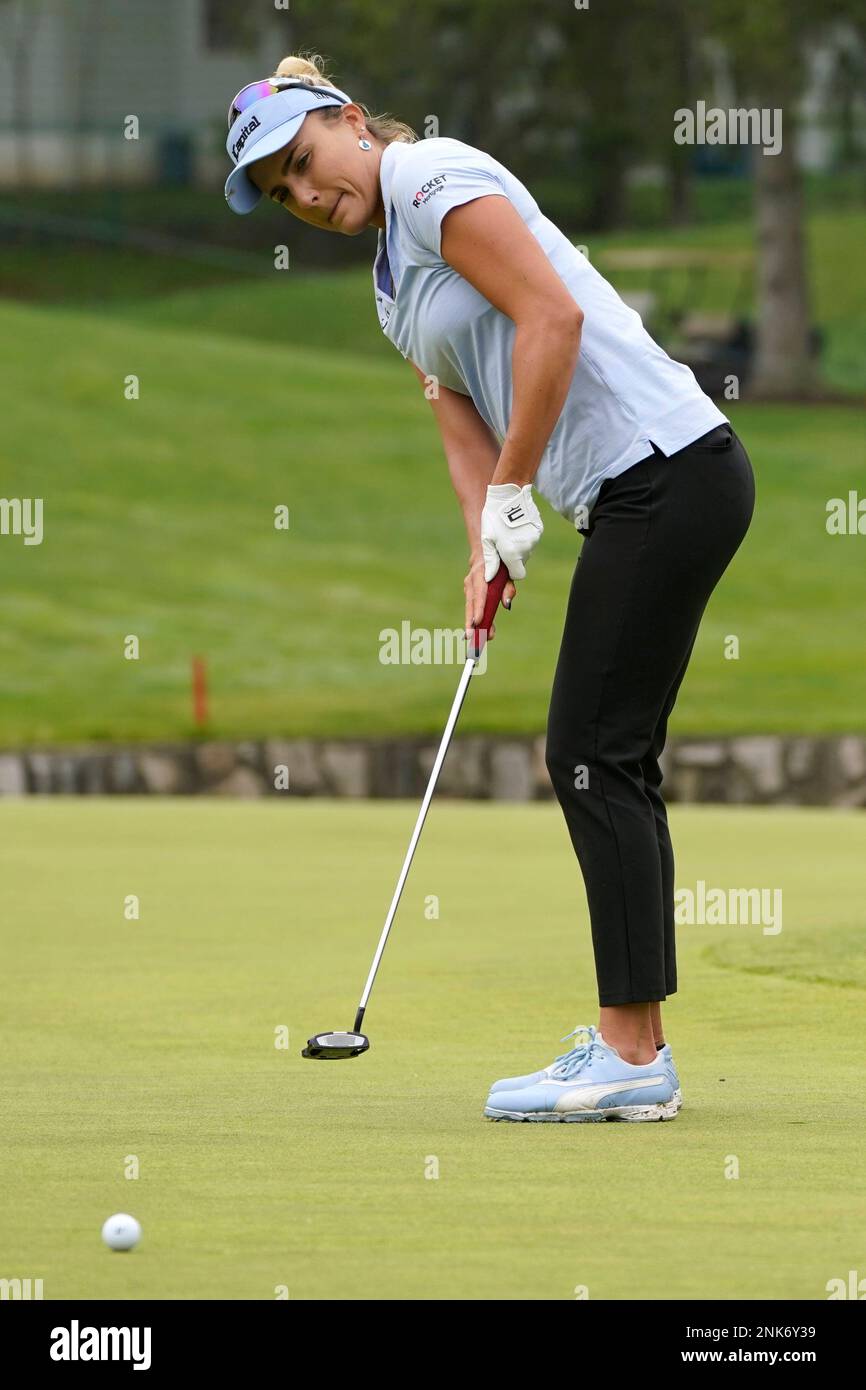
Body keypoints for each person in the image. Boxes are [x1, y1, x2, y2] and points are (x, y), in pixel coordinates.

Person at [225, 53, 756, 1124]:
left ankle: (627, 1052)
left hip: (665, 468)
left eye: (303, 160)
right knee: (606, 755)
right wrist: (485, 544)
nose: (307, 194)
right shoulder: (388, 286)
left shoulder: (425, 178)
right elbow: (461, 426)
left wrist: (515, 491)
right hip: (638, 493)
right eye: (282, 191)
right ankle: (632, 1044)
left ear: (343, 121)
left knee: (591, 754)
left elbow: (549, 320)